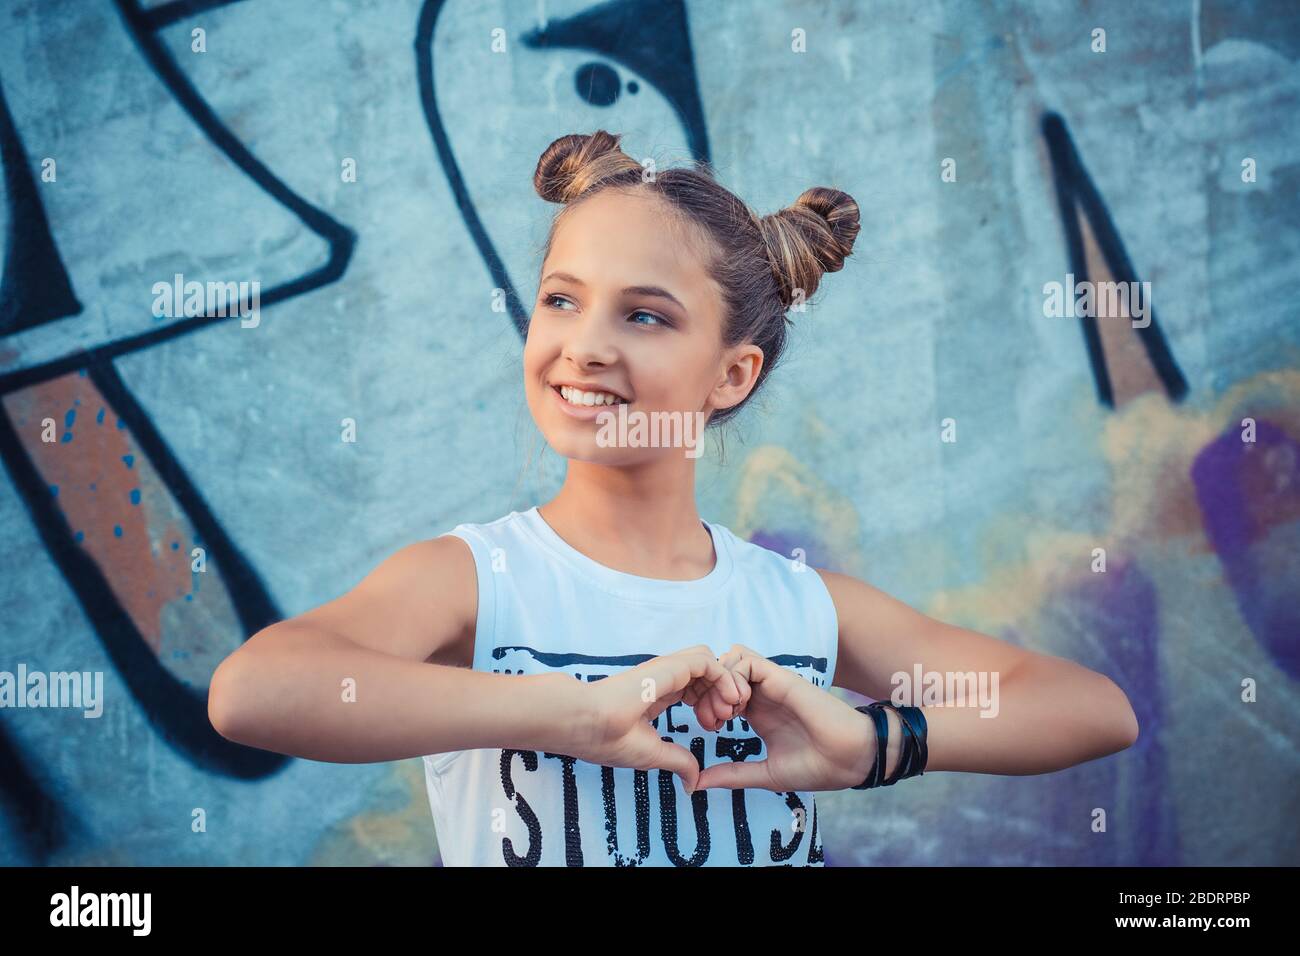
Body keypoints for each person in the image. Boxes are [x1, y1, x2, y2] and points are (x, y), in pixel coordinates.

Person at [207, 130, 1140, 867]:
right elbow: (254, 693)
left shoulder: (799, 605)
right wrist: (566, 713)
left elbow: (1092, 708)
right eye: (561, 300)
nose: (585, 346)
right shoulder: (475, 582)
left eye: (645, 315)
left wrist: (876, 743)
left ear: (731, 375)